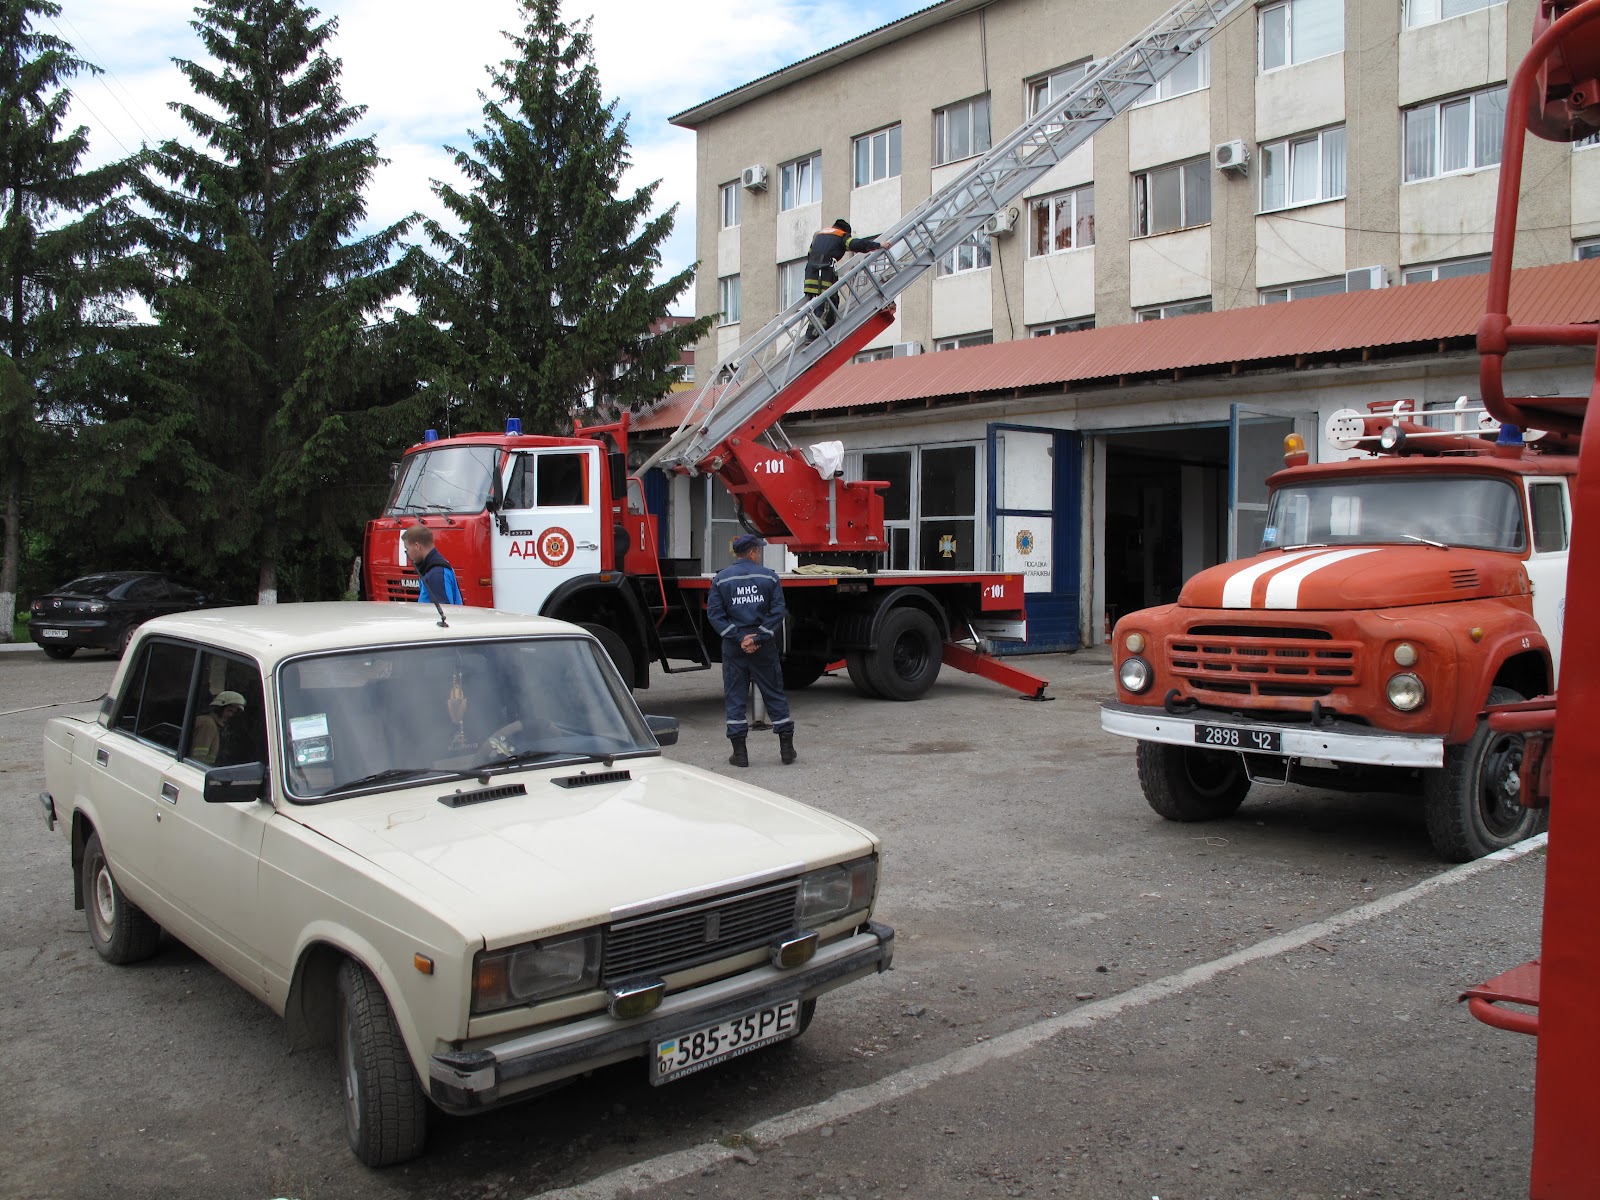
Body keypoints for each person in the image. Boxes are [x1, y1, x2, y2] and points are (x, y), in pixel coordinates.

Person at [706, 533, 795, 767]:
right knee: (773, 692)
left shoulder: (721, 579)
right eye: (759, 550)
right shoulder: (770, 577)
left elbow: (715, 614)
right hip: (763, 645)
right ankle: (786, 751)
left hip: (734, 647)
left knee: (735, 696)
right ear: (753, 552)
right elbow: (777, 610)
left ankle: (740, 754)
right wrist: (760, 636)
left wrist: (739, 638)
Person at [802, 218, 883, 341]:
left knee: (832, 301)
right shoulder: (840, 236)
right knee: (826, 306)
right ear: (845, 230)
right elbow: (856, 244)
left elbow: (810, 254)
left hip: (811, 275)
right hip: (823, 276)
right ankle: (811, 335)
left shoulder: (818, 236)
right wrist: (878, 245)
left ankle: (823, 331)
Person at [402, 525, 463, 605]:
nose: (408, 554)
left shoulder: (436, 574)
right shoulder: (432, 569)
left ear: (417, 546)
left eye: (407, 549)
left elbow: (444, 611)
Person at [191, 690, 246, 766]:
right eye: (229, 710)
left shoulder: (215, 726)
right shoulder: (208, 724)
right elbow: (197, 759)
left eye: (233, 712)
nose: (231, 715)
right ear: (219, 708)